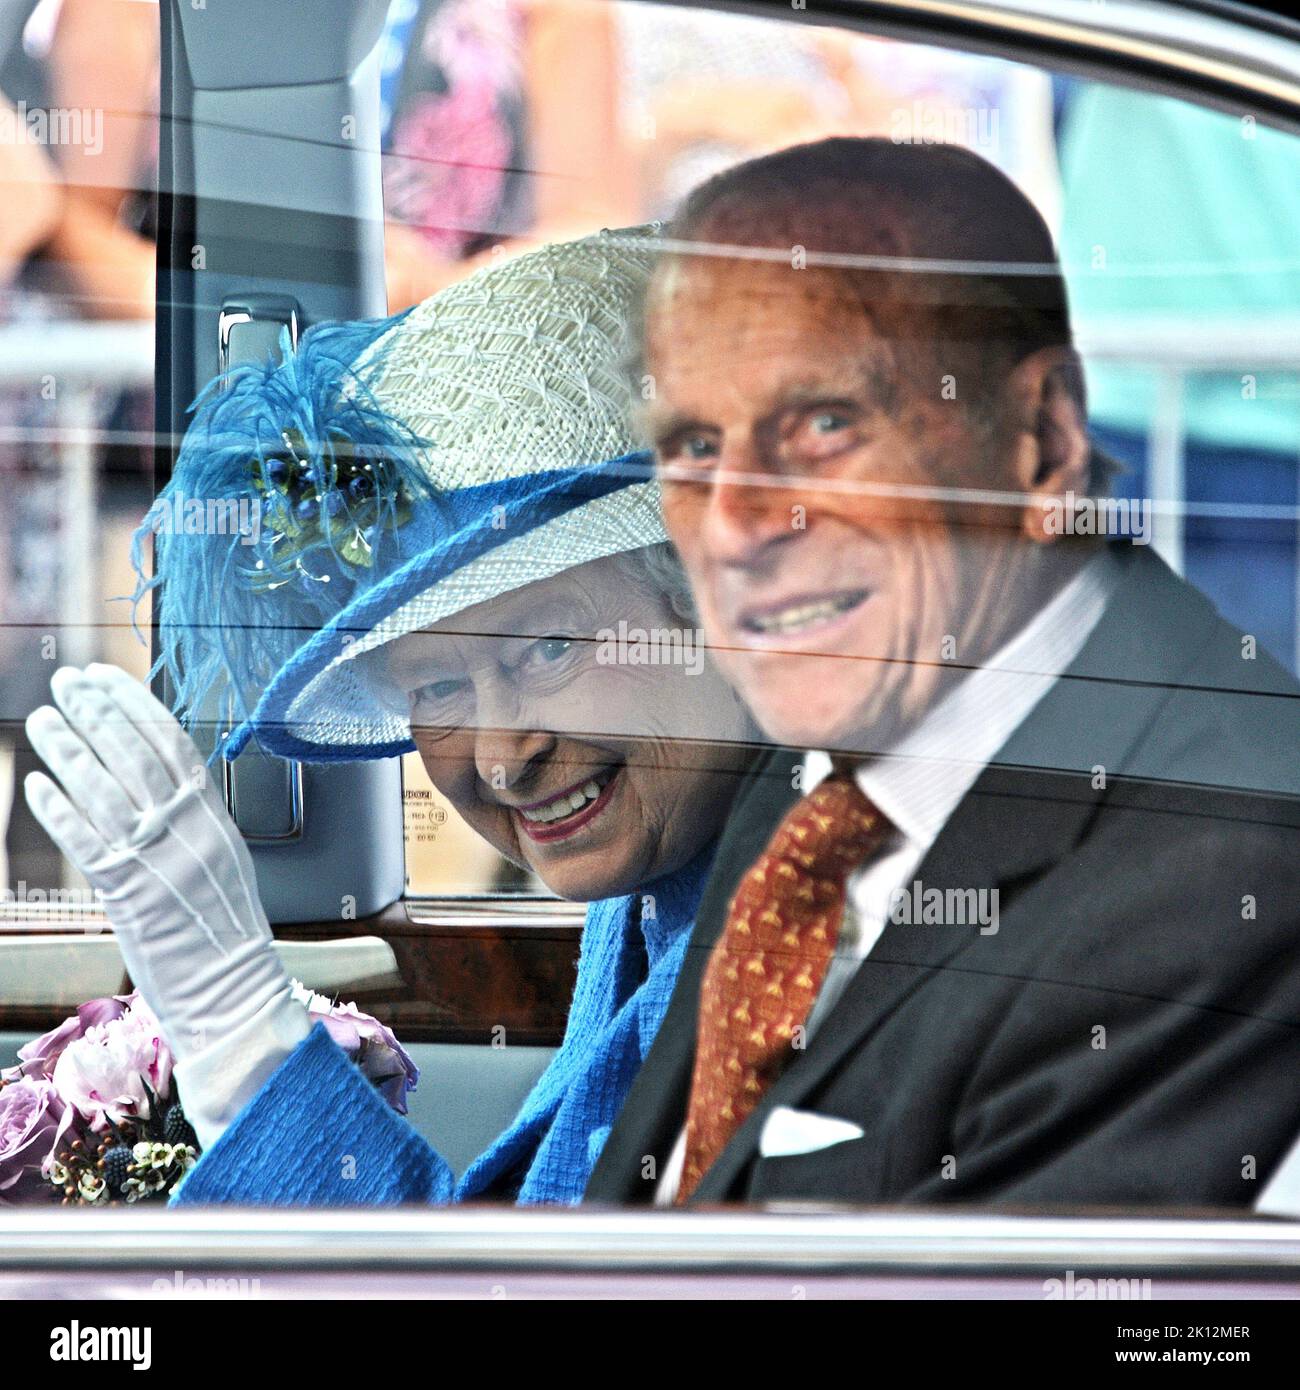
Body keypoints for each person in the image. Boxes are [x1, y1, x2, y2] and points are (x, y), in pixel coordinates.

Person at [582, 137, 1300, 1208]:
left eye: (824, 424)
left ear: (1045, 442)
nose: (734, 524)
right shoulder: (825, 766)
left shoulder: (1220, 863)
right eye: (691, 447)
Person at [22, 229, 757, 1205]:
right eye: (438, 688)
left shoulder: (795, 918)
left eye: (548, 648)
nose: (499, 757)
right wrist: (238, 1043)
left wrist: (248, 1050)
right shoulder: (655, 888)